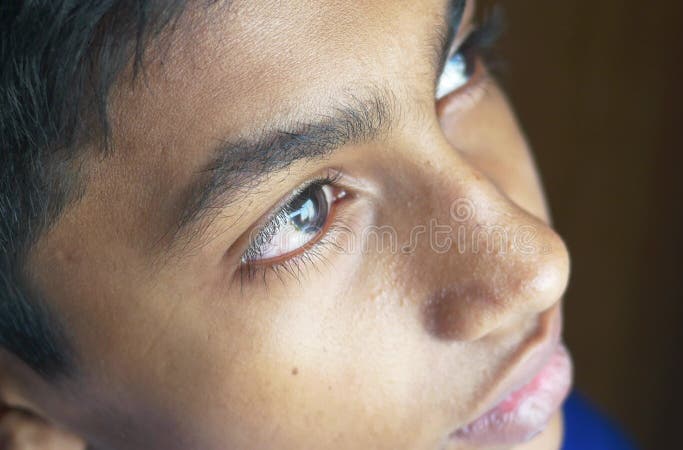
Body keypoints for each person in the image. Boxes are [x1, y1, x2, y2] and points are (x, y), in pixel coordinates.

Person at [0, 1, 631, 448]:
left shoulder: (542, 418)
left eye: (456, 67)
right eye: (303, 213)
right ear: (26, 411)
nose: (538, 270)